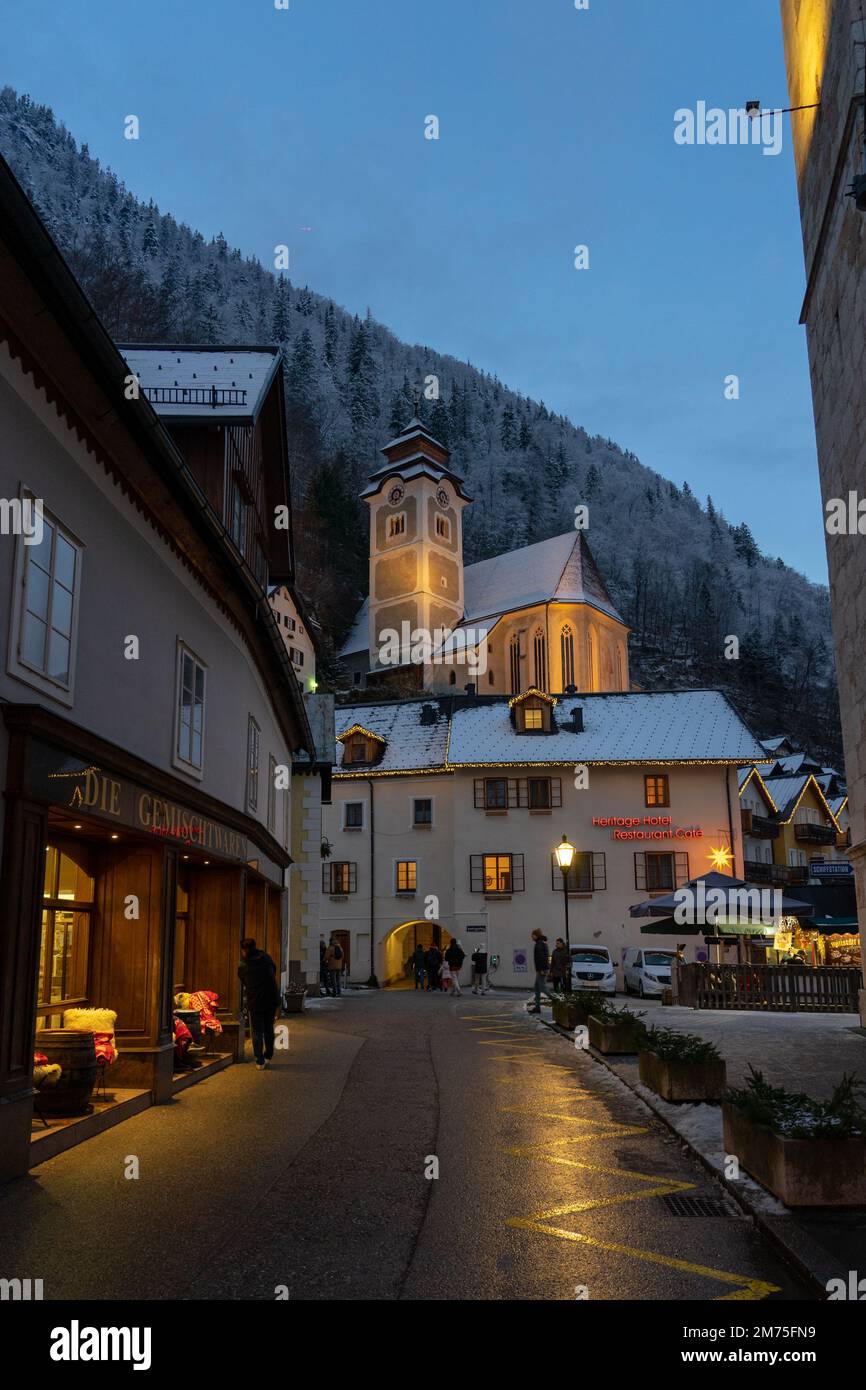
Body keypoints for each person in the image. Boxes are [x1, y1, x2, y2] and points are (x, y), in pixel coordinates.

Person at [238, 937, 281, 1071]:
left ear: (244, 950)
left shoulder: (244, 964)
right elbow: (274, 970)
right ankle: (268, 1055)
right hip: (270, 998)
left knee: (257, 1031)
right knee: (268, 1028)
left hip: (255, 1000)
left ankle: (259, 1059)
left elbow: (242, 978)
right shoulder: (266, 957)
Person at [528, 928, 552, 1014]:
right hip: (541, 969)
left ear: (536, 935)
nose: (531, 937)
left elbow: (542, 958)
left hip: (541, 970)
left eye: (532, 935)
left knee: (542, 987)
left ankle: (556, 999)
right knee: (537, 987)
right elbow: (547, 957)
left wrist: (541, 969)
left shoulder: (539, 944)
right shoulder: (542, 943)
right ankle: (537, 1007)